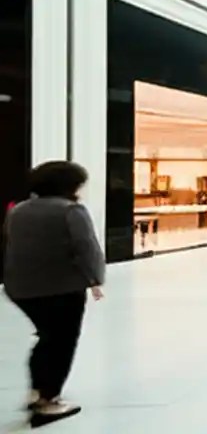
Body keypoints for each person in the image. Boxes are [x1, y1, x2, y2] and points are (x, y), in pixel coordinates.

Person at [3, 161, 106, 428]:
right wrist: (95, 280)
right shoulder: (71, 211)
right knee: (62, 342)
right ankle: (48, 400)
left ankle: (37, 391)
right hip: (61, 287)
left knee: (47, 337)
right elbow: (87, 249)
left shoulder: (19, 210)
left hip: (21, 289)